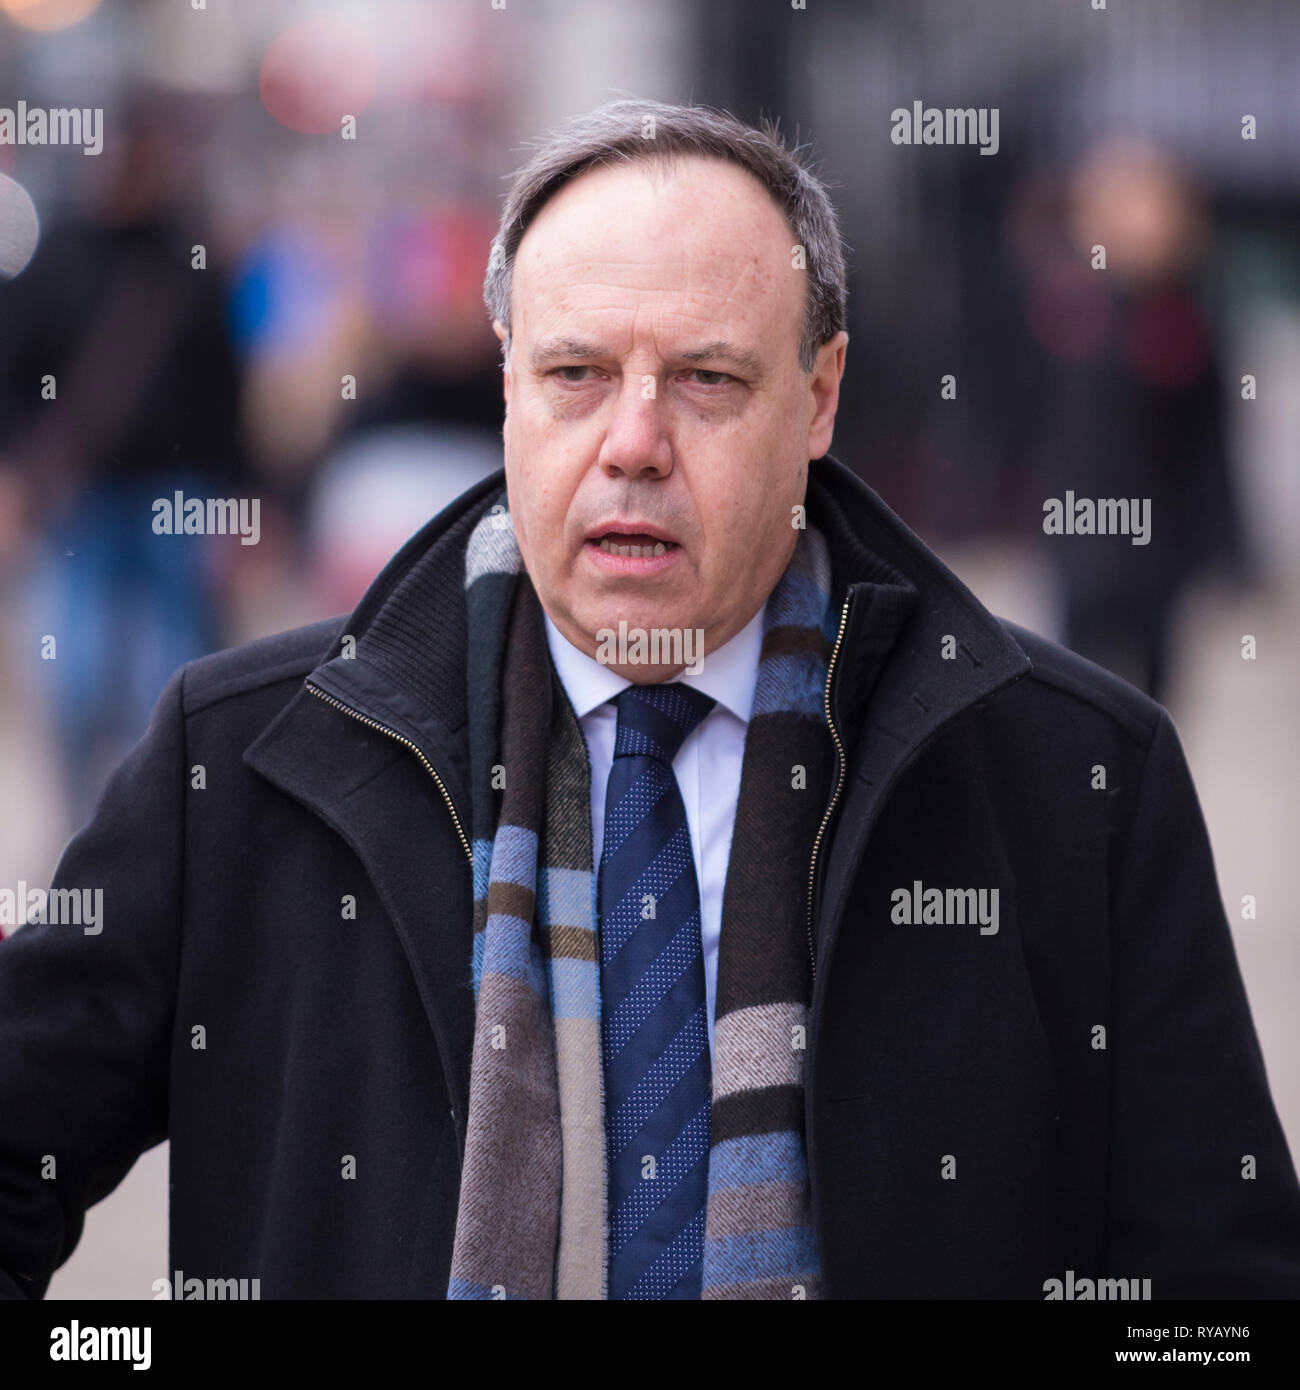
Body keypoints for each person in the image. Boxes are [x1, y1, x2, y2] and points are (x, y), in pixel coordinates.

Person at [1, 98, 1298, 1301]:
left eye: (706, 379)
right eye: (575, 375)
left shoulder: (1073, 777)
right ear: (507, 384)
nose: (632, 440)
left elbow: (1216, 1285)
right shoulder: (234, 763)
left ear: (822, 396)